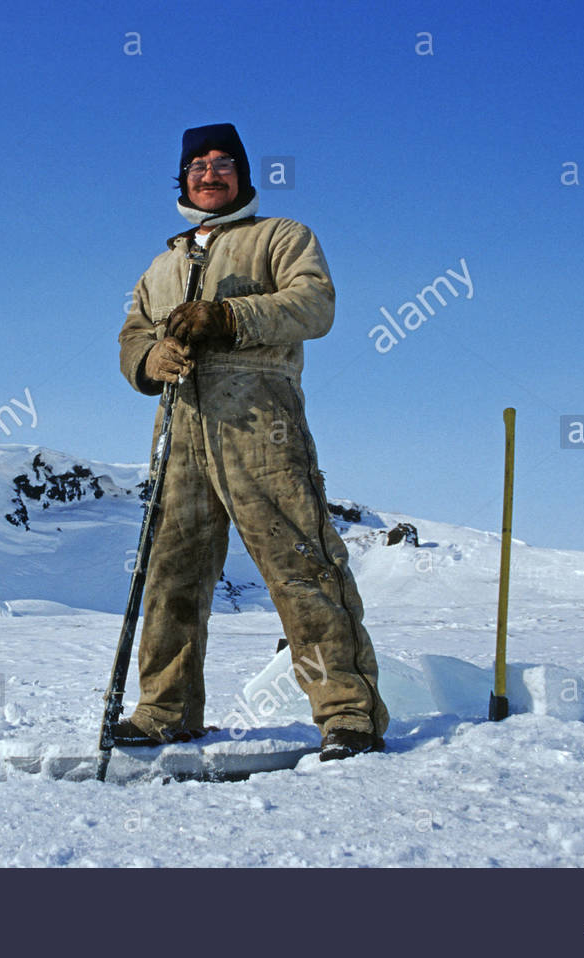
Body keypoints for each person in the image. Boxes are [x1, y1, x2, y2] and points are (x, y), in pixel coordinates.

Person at [115, 122, 389, 761]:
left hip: (260, 423)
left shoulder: (282, 236)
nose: (210, 174)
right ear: (181, 180)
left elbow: (313, 305)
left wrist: (229, 316)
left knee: (302, 566)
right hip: (180, 428)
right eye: (197, 166)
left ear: (243, 175)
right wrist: (148, 359)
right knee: (170, 574)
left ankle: (346, 714)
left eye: (223, 163)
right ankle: (165, 711)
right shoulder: (161, 265)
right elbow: (131, 336)